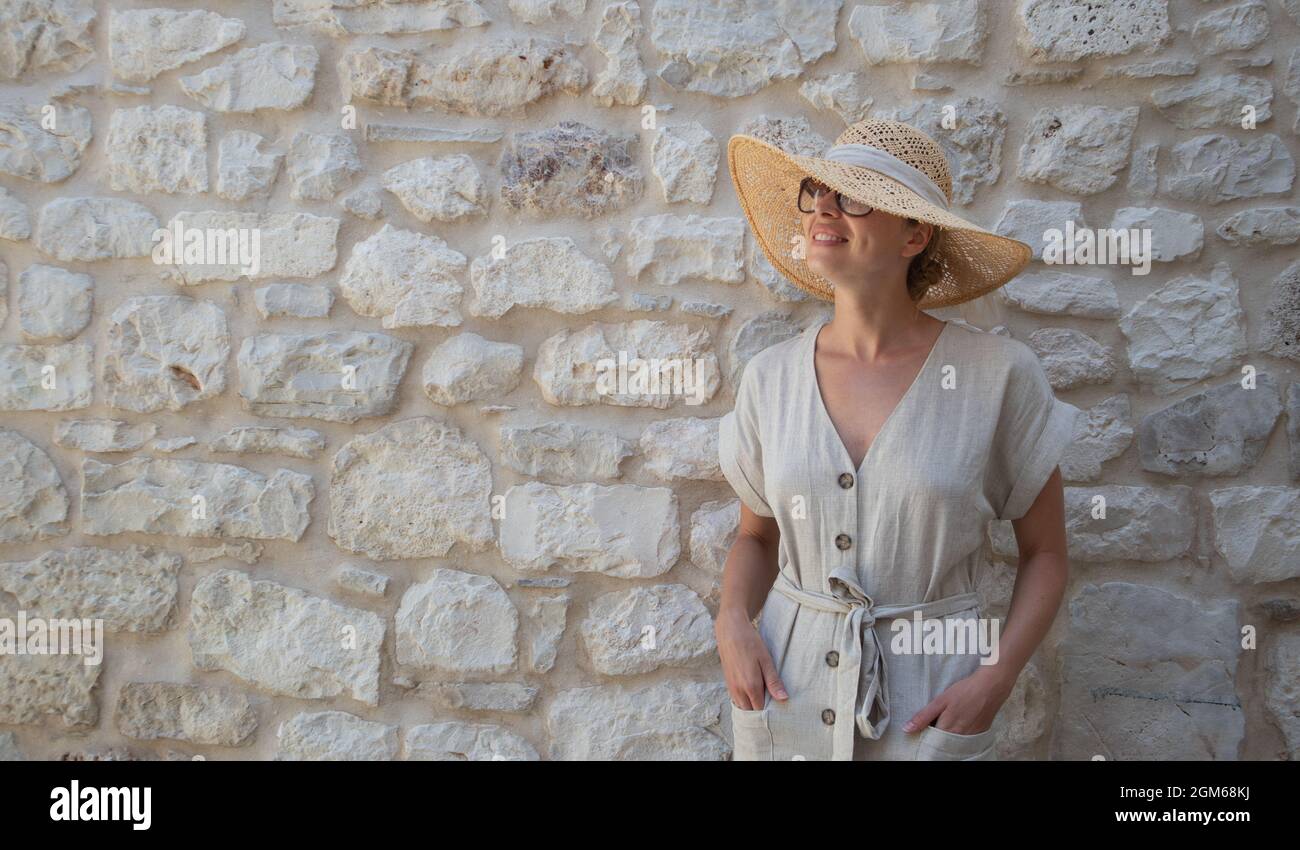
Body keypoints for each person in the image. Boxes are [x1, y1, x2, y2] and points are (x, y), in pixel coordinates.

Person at [717, 119, 1079, 760]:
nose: (824, 206)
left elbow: (1045, 553)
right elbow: (756, 536)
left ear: (916, 233)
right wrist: (732, 624)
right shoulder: (770, 378)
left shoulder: (996, 377)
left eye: (853, 196)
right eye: (816, 190)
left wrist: (993, 683)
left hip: (931, 698)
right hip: (786, 694)